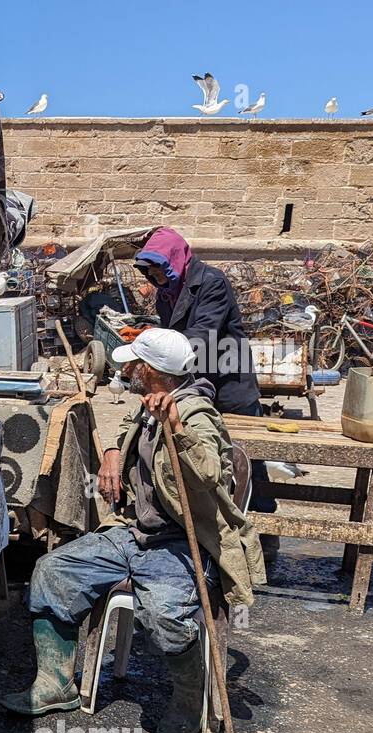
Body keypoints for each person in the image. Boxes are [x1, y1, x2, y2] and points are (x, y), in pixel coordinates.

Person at [4, 328, 265, 733]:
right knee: (53, 570)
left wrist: (177, 427)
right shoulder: (148, 405)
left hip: (181, 543)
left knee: (162, 614)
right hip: (136, 533)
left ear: (151, 370)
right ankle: (56, 684)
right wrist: (111, 453)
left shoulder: (195, 414)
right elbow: (130, 423)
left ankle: (187, 698)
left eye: (133, 363)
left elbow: (211, 473)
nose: (125, 369)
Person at [122, 226, 279, 558]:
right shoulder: (169, 289)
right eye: (151, 275)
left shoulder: (211, 282)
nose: (156, 281)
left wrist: (163, 350)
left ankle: (263, 535)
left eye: (159, 273)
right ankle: (211, 529)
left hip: (227, 380)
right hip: (197, 378)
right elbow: (174, 333)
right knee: (205, 454)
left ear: (174, 262)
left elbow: (200, 334)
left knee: (246, 458)